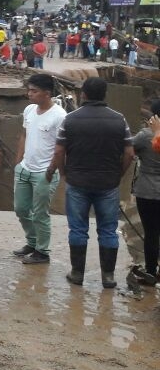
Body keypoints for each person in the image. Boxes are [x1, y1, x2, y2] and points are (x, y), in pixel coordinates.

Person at [48, 78, 133, 288]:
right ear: (104, 95)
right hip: (108, 183)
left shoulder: (70, 119)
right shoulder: (119, 119)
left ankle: (77, 274)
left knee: (77, 230)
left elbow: (59, 151)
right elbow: (129, 153)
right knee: (108, 230)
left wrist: (63, 173)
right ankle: (108, 277)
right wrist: (118, 175)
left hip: (77, 181)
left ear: (84, 94)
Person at [12, 74, 66, 264]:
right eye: (29, 90)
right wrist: (18, 162)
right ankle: (32, 241)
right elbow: (24, 135)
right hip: (25, 168)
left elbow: (61, 147)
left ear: (47, 93)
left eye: (34, 91)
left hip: (44, 172)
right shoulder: (29, 110)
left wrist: (51, 170)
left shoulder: (60, 116)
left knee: (40, 213)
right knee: (20, 209)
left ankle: (42, 251)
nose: (29, 94)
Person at [132, 103, 160, 284]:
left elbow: (129, 150)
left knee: (151, 232)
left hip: (148, 191)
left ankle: (150, 271)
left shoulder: (145, 135)